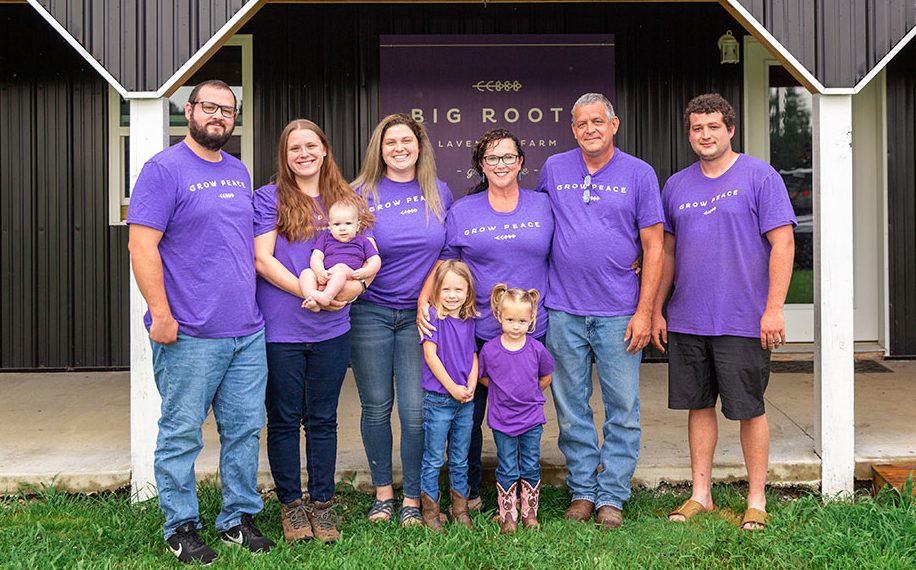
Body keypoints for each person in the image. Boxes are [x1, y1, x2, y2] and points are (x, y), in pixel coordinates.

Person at [127, 79, 274, 564]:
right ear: (188, 111)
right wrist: (162, 314)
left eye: (227, 110)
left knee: (245, 429)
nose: (218, 116)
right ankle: (181, 526)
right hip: (189, 332)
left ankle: (237, 519)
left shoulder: (237, 170)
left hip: (246, 331)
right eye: (209, 107)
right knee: (181, 432)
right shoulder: (163, 170)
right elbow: (141, 245)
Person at [652, 93, 796, 531]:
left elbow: (784, 243)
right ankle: (701, 494)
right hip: (689, 317)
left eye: (713, 126)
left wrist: (773, 309)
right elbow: (669, 252)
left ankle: (757, 498)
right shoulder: (676, 184)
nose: (705, 134)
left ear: (730, 129)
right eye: (697, 127)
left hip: (743, 318)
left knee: (749, 408)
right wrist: (658, 308)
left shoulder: (759, 176)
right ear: (689, 133)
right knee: (698, 406)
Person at [536, 93, 665, 529]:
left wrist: (645, 311)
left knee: (622, 408)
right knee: (571, 406)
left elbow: (653, 246)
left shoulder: (639, 173)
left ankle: (612, 495)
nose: (590, 129)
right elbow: (536, 222)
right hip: (564, 310)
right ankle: (582, 491)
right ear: (572, 129)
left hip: (618, 312)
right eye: (581, 123)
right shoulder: (554, 168)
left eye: (598, 121)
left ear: (614, 124)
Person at [418, 128, 555, 512]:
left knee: (525, 410)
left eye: (509, 157)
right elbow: (445, 264)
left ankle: (524, 491)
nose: (501, 165)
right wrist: (422, 302)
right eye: (492, 158)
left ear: (522, 163)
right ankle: (472, 493)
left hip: (530, 332)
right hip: (477, 335)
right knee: (471, 416)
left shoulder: (543, 205)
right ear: (481, 166)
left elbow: (575, 241)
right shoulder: (463, 211)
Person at [253, 119, 372, 544]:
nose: (303, 154)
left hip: (332, 330)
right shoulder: (269, 199)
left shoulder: (347, 200)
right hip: (281, 329)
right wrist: (313, 293)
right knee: (284, 419)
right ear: (285, 157)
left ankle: (322, 506)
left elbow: (365, 259)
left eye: (310, 145)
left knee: (322, 419)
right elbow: (263, 260)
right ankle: (291, 506)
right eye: (293, 149)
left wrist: (349, 291)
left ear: (325, 149)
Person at [349, 114, 453, 526]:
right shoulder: (359, 193)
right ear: (379, 148)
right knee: (376, 408)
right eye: (390, 142)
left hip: (420, 317)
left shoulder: (438, 191)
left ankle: (413, 496)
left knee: (415, 412)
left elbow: (446, 255)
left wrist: (426, 299)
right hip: (370, 312)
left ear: (419, 146)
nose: (398, 148)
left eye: (406, 141)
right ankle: (382, 493)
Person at [478, 284, 554, 534]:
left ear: (531, 319)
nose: (515, 325)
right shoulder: (490, 350)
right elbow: (482, 377)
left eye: (522, 320)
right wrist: (501, 392)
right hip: (502, 420)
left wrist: (530, 394)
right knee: (507, 465)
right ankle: (507, 513)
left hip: (531, 419)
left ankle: (530, 512)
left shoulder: (536, 349)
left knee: (530, 463)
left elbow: (546, 377)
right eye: (510, 319)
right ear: (499, 316)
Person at [418, 260, 479, 531]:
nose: (452, 295)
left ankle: (459, 508)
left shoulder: (469, 319)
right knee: (433, 457)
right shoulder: (433, 317)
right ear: (436, 291)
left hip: (465, 401)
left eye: (459, 289)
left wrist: (470, 384)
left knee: (459, 456)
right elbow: (431, 357)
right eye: (446, 289)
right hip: (439, 400)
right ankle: (430, 512)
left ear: (468, 292)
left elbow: (473, 355)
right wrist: (452, 387)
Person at [299, 195, 381, 311]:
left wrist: (366, 271)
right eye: (337, 224)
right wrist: (319, 272)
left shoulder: (363, 241)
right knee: (306, 273)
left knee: (340, 269)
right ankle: (311, 298)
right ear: (330, 226)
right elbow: (316, 256)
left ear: (357, 226)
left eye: (348, 224)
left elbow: (375, 260)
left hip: (348, 276)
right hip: (326, 274)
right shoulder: (326, 238)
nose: (342, 228)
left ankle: (326, 296)